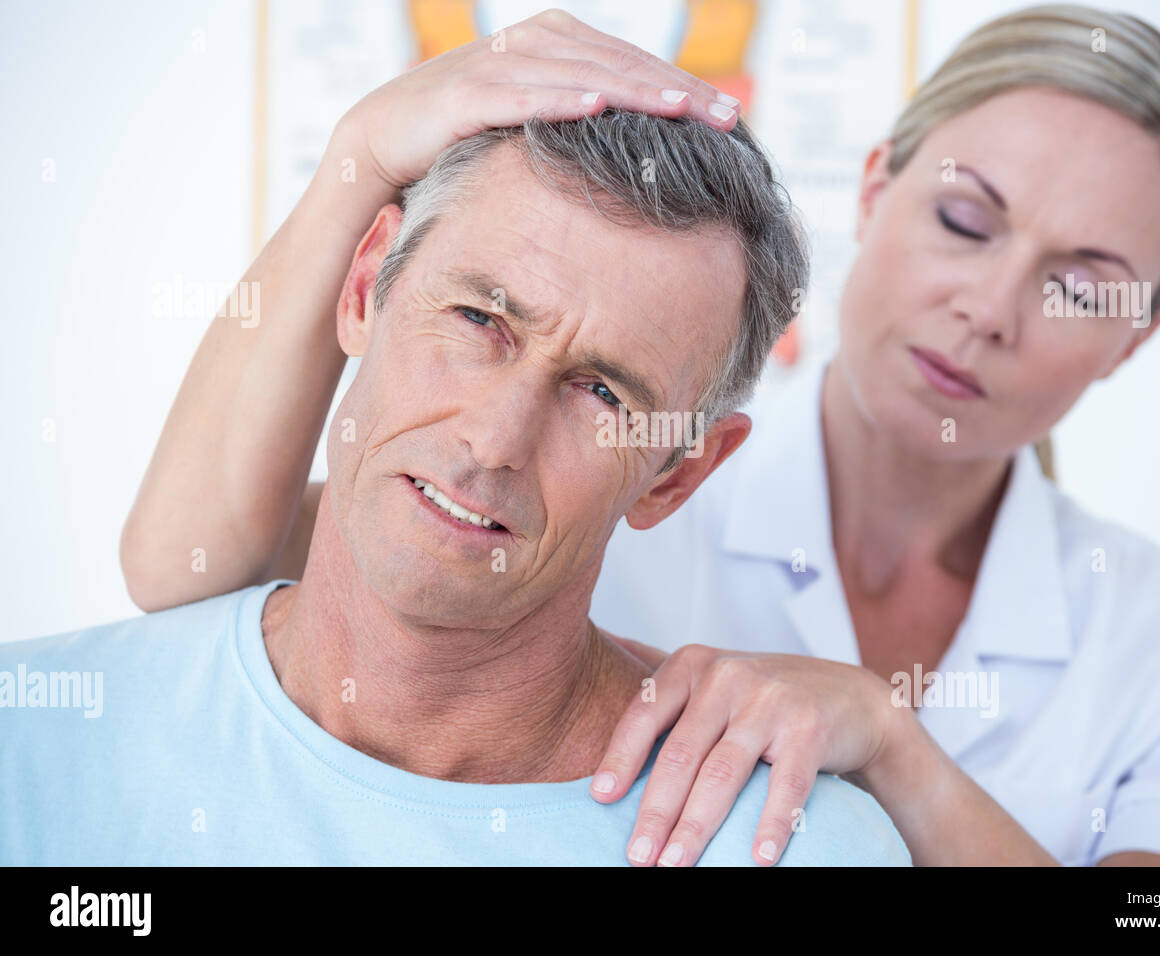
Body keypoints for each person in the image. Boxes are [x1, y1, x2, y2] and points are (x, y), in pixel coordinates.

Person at [118, 6, 1160, 867]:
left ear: (1135, 336)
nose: (989, 306)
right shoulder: (614, 454)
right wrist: (360, 158)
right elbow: (190, 568)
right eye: (964, 218)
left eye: (1082, 287)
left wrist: (884, 738)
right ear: (874, 191)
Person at [0, 105, 911, 867]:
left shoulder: (796, 847)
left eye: (602, 391)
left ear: (678, 474)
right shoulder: (32, 740)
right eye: (479, 318)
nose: (495, 438)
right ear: (365, 286)